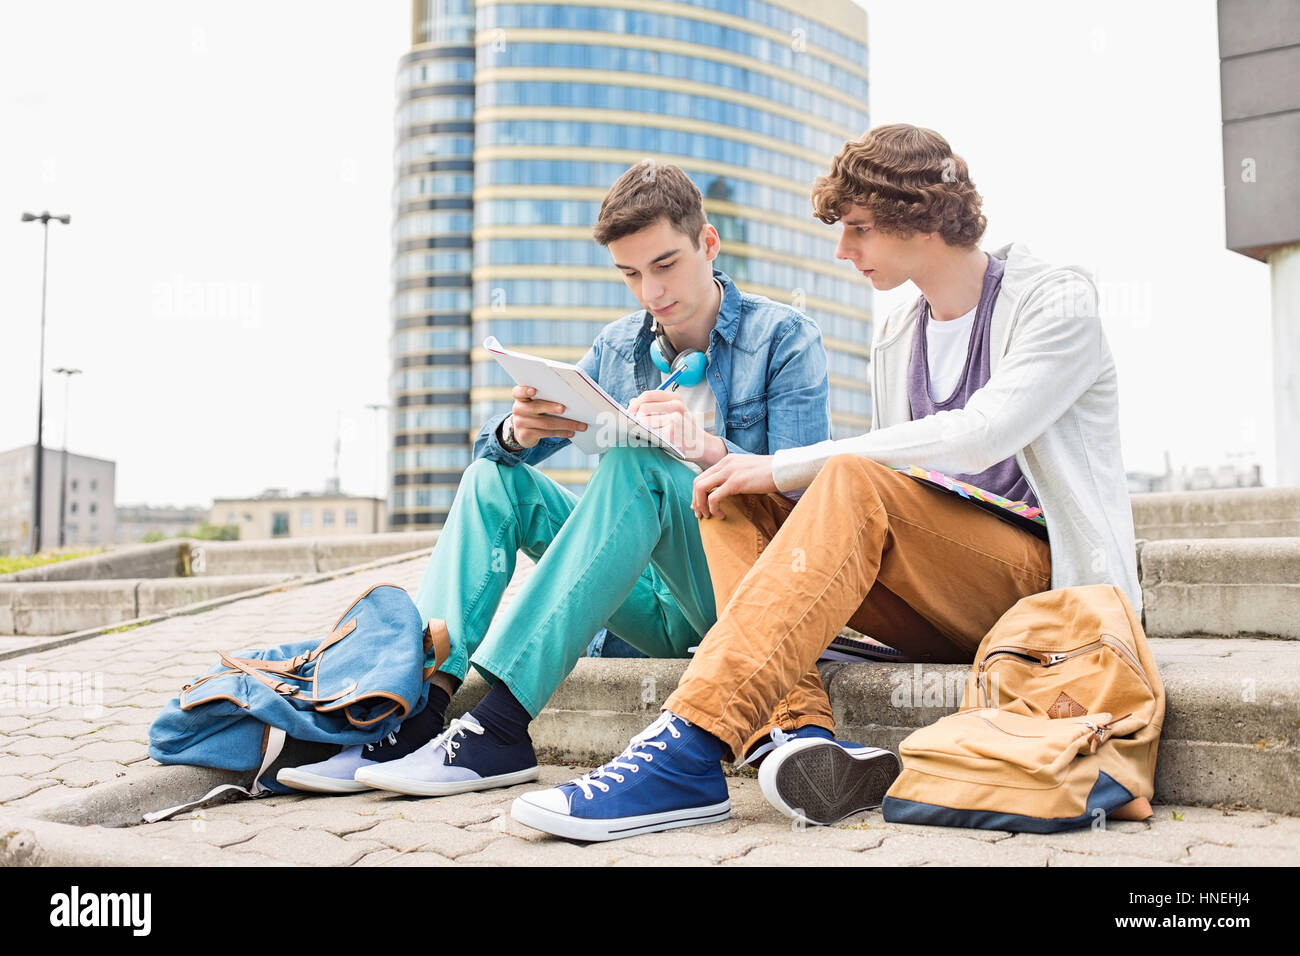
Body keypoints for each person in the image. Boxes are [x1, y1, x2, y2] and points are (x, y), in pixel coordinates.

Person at [510, 124, 1142, 841]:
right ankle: (798, 736)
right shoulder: (898, 332)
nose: (843, 251)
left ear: (924, 217)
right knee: (729, 490)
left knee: (839, 476)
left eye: (860, 230)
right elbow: (909, 487)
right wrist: (746, 472)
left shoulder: (1055, 301)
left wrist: (781, 464)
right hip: (932, 597)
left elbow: (982, 431)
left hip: (1043, 597)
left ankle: (686, 746)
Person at [275, 160, 833, 796]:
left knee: (637, 463)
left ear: (707, 244)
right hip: (650, 604)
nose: (651, 291)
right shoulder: (620, 347)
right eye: (630, 274)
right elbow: (508, 453)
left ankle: (501, 729)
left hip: (740, 593)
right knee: (493, 478)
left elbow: (809, 507)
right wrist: (519, 430)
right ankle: (412, 718)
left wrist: (706, 449)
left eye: (666, 264)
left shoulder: (786, 337)